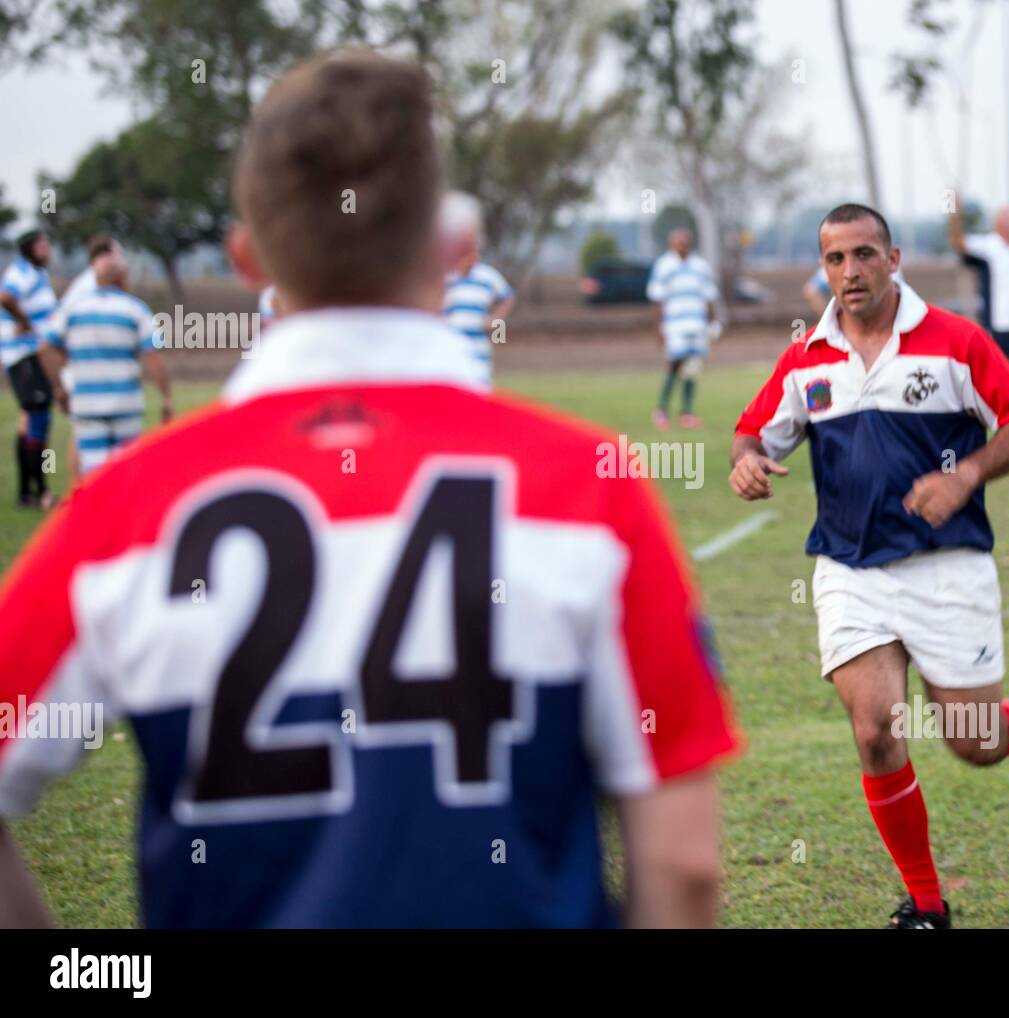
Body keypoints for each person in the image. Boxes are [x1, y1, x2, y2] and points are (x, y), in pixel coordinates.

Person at [0, 49, 739, 930]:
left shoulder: (124, 506)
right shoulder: (590, 487)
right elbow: (685, 866)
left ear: (246, 259)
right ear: (454, 244)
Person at [729, 203, 1009, 929]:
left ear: (893, 259)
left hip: (947, 569)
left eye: (863, 255)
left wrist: (966, 476)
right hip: (851, 569)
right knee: (874, 732)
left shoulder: (954, 341)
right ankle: (926, 906)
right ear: (822, 269)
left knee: (974, 743)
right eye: (834, 260)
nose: (850, 272)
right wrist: (750, 462)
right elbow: (752, 431)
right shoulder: (807, 357)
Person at [38, 238, 172, 478]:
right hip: (125, 402)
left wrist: (60, 387)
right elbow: (152, 356)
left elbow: (45, 348)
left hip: (87, 402)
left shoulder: (72, 307)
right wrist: (166, 398)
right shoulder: (135, 308)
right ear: (121, 278)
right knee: (126, 470)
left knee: (94, 474)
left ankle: (92, 512)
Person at [947, 195, 1009, 378]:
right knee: (999, 377)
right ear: (997, 222)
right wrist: (952, 205)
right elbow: (957, 241)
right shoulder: (987, 247)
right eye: (1006, 217)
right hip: (1000, 323)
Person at [0, 230, 59, 509]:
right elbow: (5, 297)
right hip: (22, 354)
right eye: (41, 245)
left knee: (29, 420)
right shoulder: (20, 272)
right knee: (39, 417)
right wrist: (23, 321)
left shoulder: (37, 274)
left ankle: (26, 493)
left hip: (32, 353)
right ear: (28, 249)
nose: (47, 249)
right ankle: (43, 492)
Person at [647, 228, 719, 430]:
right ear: (672, 244)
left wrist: (712, 322)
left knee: (692, 368)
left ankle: (686, 412)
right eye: (678, 242)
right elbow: (656, 299)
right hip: (674, 324)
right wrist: (658, 328)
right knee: (674, 364)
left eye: (685, 242)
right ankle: (661, 410)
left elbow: (709, 297)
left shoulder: (700, 266)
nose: (682, 245)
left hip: (696, 323)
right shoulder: (664, 265)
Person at [440, 191, 514, 383]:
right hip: (449, 347)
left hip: (477, 350)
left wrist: (495, 321)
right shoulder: (445, 276)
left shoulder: (487, 277)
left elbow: (507, 297)